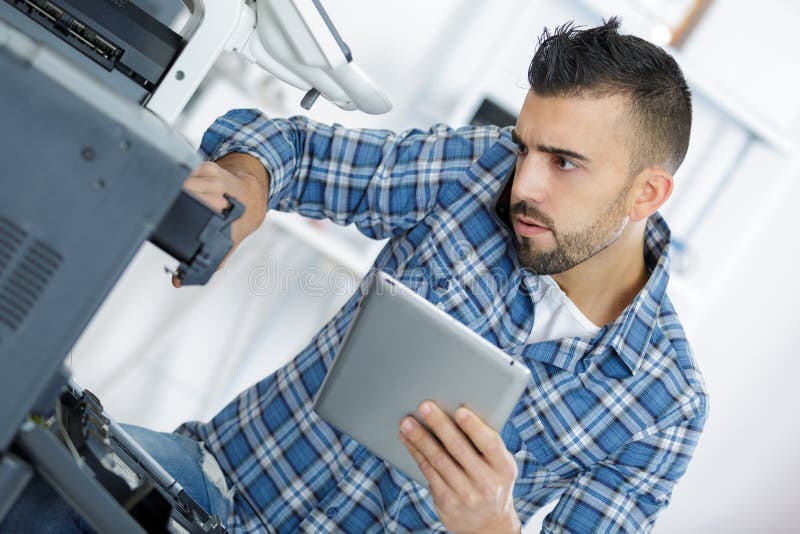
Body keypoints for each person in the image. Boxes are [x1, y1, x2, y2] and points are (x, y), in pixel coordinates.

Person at [1, 18, 707, 533]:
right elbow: (298, 152)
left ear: (646, 194)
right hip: (214, 485)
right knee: (32, 482)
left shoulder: (663, 406)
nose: (522, 183)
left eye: (565, 163)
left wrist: (490, 526)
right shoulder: (476, 169)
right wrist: (251, 184)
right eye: (525, 148)